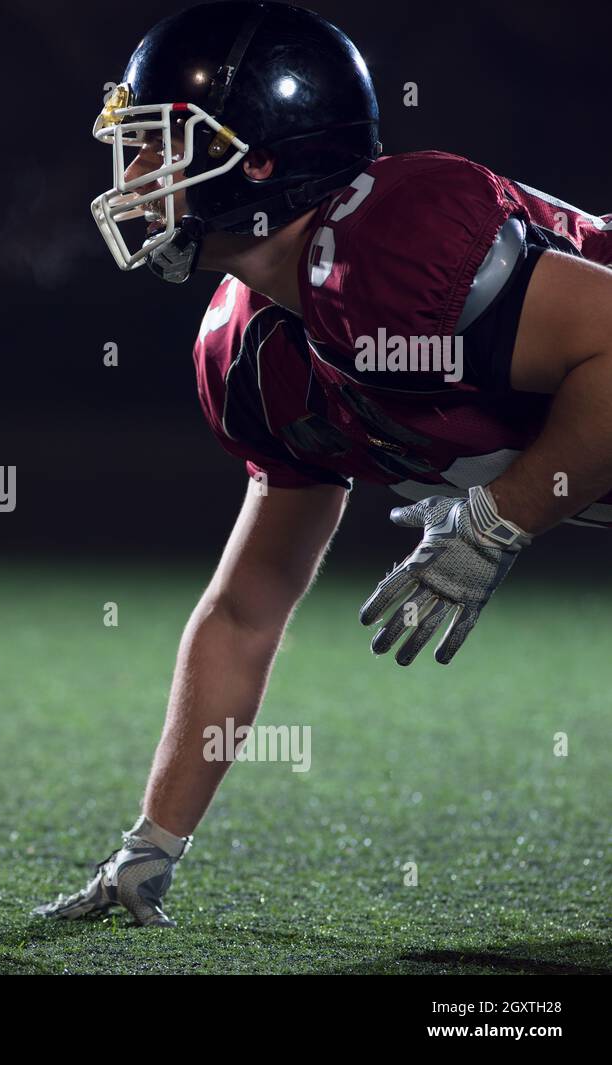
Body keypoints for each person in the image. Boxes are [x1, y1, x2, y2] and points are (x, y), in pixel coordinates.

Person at [37, 0, 612, 925]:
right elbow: (245, 610)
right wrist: (153, 845)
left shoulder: (390, 249)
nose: (136, 174)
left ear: (260, 161)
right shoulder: (254, 355)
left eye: (163, 145)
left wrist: (501, 519)